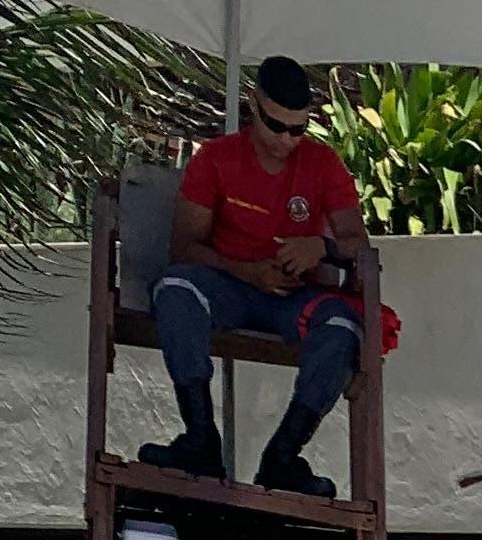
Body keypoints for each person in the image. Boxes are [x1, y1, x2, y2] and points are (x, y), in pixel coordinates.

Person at [143, 56, 367, 499]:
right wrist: (246, 270)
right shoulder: (216, 159)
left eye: (297, 129)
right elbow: (184, 249)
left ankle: (283, 456)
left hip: (295, 295)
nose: (286, 140)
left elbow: (359, 245)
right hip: (228, 286)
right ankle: (201, 439)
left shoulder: (323, 165)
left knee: (344, 329)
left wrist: (319, 247)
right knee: (174, 290)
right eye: (275, 125)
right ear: (252, 105)